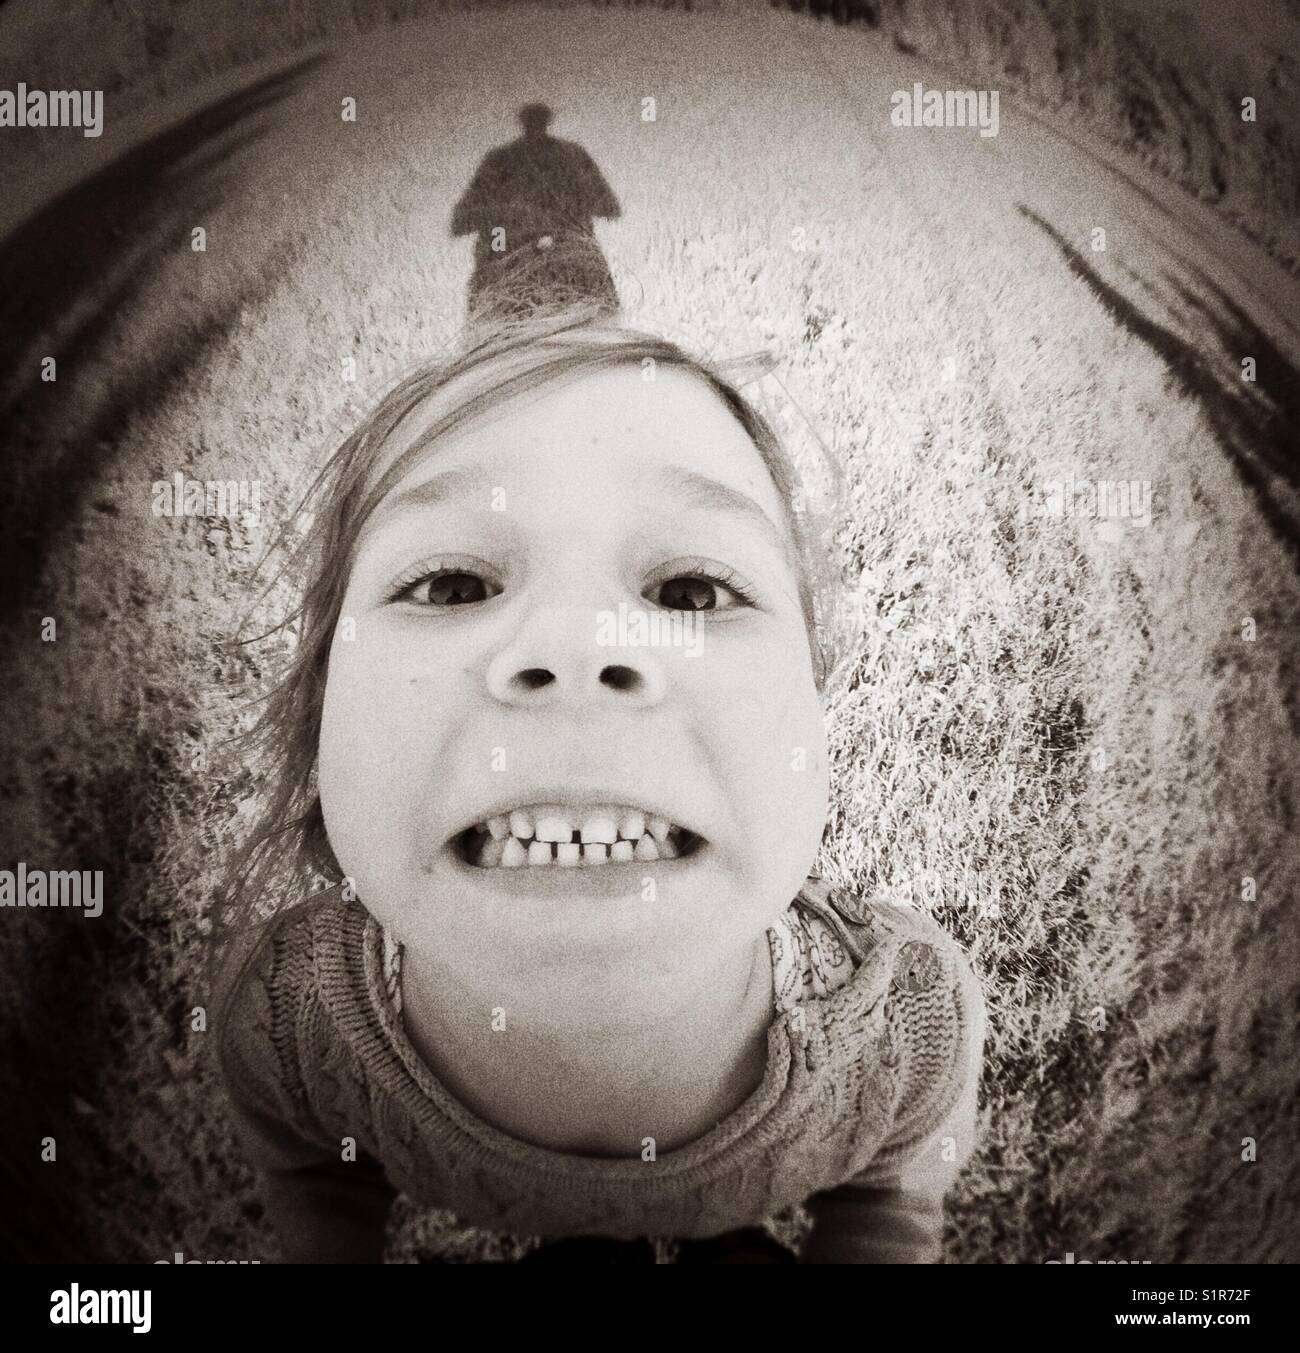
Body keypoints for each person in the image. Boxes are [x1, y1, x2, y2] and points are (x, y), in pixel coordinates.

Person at [209, 300, 986, 1263]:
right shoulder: (287, 1021)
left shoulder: (905, 1023)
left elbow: (892, 1196)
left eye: (694, 591)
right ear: (319, 727)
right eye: (452, 584)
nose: (579, 644)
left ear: (815, 704)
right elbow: (311, 1172)